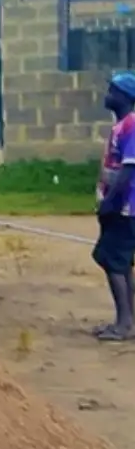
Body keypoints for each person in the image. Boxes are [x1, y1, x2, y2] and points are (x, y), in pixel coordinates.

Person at [92, 71, 135, 340]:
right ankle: (128, 321)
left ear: (124, 96)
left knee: (112, 260)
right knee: (120, 261)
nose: (107, 95)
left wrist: (109, 203)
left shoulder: (131, 125)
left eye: (112, 90)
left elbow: (128, 172)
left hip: (125, 208)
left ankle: (123, 323)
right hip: (120, 208)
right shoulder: (121, 126)